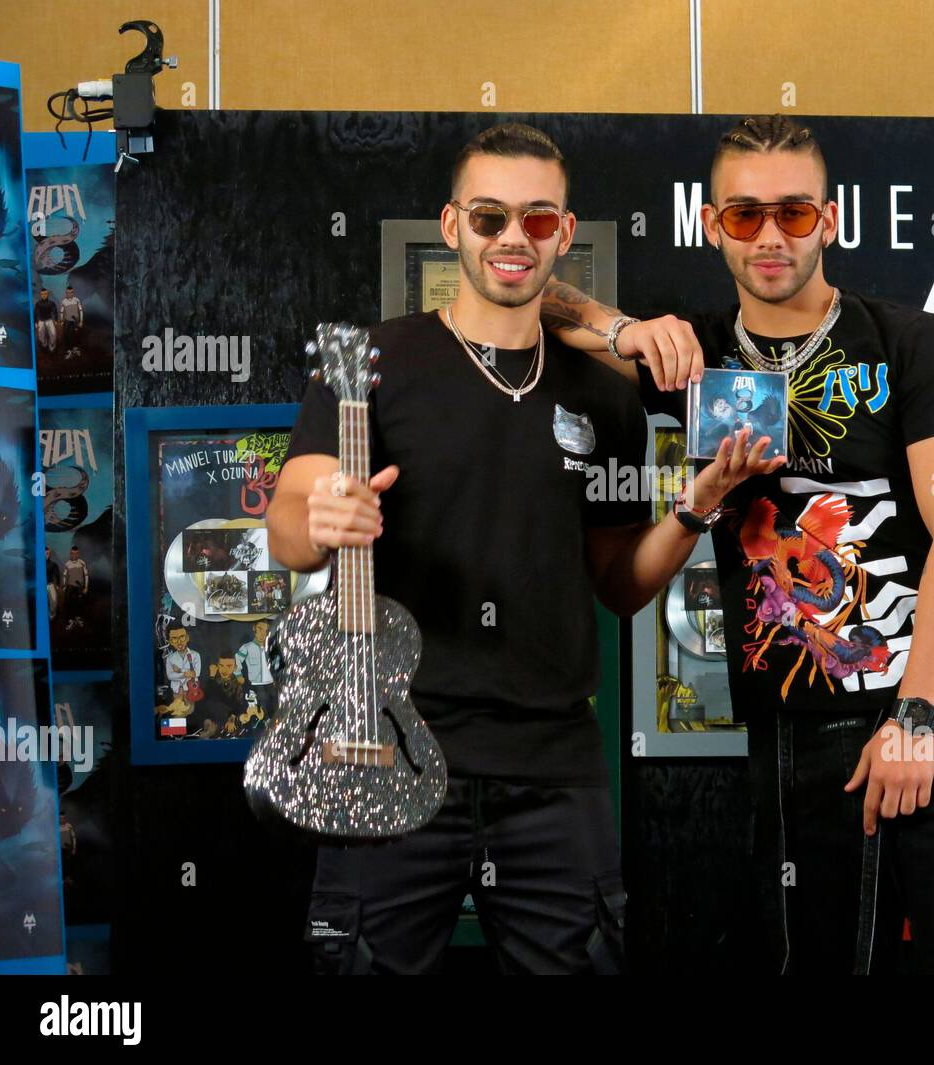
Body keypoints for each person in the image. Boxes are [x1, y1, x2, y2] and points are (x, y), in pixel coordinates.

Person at [268, 122, 781, 975]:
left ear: (564, 236)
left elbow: (618, 585)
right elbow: (288, 528)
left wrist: (691, 511)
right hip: (386, 747)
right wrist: (321, 517)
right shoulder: (373, 364)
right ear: (452, 224)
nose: (514, 238)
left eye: (538, 221)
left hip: (555, 770)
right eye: (490, 217)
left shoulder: (603, 398)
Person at [541, 114, 934, 974]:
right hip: (796, 741)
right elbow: (537, 300)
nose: (770, 235)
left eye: (794, 213)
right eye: (744, 215)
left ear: (832, 219)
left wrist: (916, 718)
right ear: (711, 225)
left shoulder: (907, 344)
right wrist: (625, 329)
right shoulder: (694, 357)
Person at [59, 285, 84, 359]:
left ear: (73, 293)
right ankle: (69, 351)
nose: (69, 294)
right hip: (67, 321)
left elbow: (81, 310)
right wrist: (62, 321)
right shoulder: (64, 301)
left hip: (75, 321)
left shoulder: (77, 300)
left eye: (71, 292)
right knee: (67, 335)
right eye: (67, 292)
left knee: (76, 335)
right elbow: (61, 312)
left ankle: (75, 349)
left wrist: (81, 321)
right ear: (66, 293)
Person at [33, 286, 59, 355]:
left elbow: (55, 311)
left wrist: (56, 320)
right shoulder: (38, 304)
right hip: (41, 321)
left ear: (47, 294)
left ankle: (52, 346)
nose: (44, 295)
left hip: (49, 320)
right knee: (41, 337)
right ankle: (44, 343)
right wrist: (35, 322)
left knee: (53, 334)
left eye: (45, 294)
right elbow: (35, 313)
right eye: (42, 294)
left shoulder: (51, 303)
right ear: (40, 295)